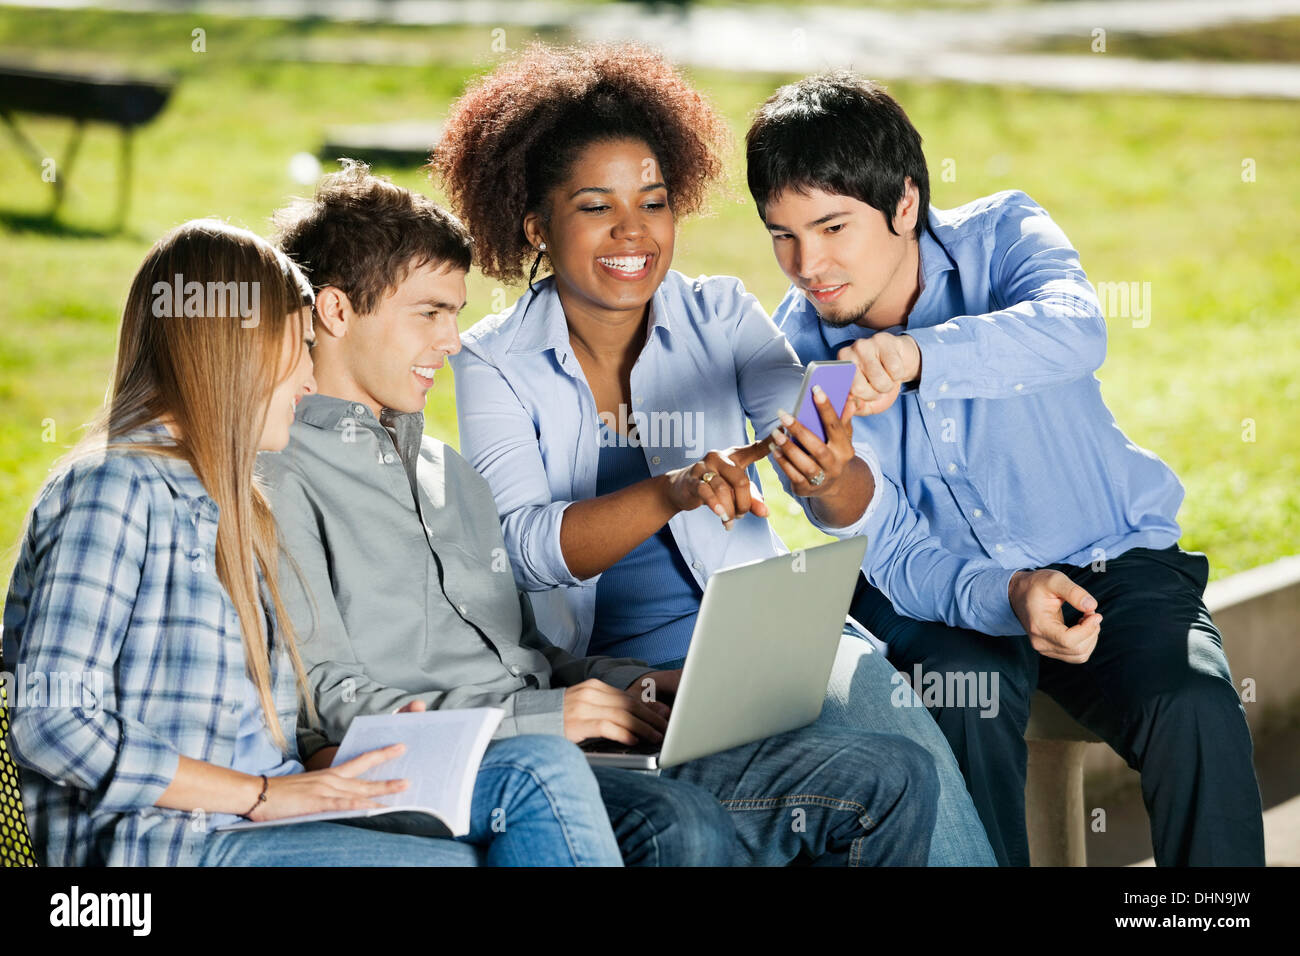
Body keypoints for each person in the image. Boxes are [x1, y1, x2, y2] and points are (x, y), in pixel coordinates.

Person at [437, 42, 964, 866]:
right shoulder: (492, 362)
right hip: (611, 684)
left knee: (893, 731)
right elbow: (528, 551)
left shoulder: (718, 313)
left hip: (758, 650)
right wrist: (673, 490)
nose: (632, 232)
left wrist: (829, 457)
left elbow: (809, 433)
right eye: (595, 206)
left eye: (653, 201)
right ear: (537, 224)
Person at [747, 71, 1266, 866]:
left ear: (906, 204)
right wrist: (838, 488)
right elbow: (882, 540)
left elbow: (1073, 331)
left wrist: (920, 356)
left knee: (1190, 703)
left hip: (1109, 556)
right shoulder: (799, 359)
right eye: (783, 234)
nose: (807, 264)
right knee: (960, 699)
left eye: (831, 227)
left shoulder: (1005, 234)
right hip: (940, 592)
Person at [2, 219, 625, 867]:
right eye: (296, 347)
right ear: (231, 347)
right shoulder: (115, 487)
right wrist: (262, 794)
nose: (307, 379)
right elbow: (53, 724)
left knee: (530, 775)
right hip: (170, 840)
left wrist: (399, 731)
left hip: (268, 805)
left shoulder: (238, 499)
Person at [262, 160, 750, 867]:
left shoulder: (449, 473)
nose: (453, 341)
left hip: (546, 739)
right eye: (429, 313)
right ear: (336, 311)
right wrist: (545, 720)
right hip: (448, 767)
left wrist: (632, 684)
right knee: (682, 824)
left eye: (456, 315)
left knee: (872, 776)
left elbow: (532, 657)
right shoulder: (279, 477)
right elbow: (325, 701)